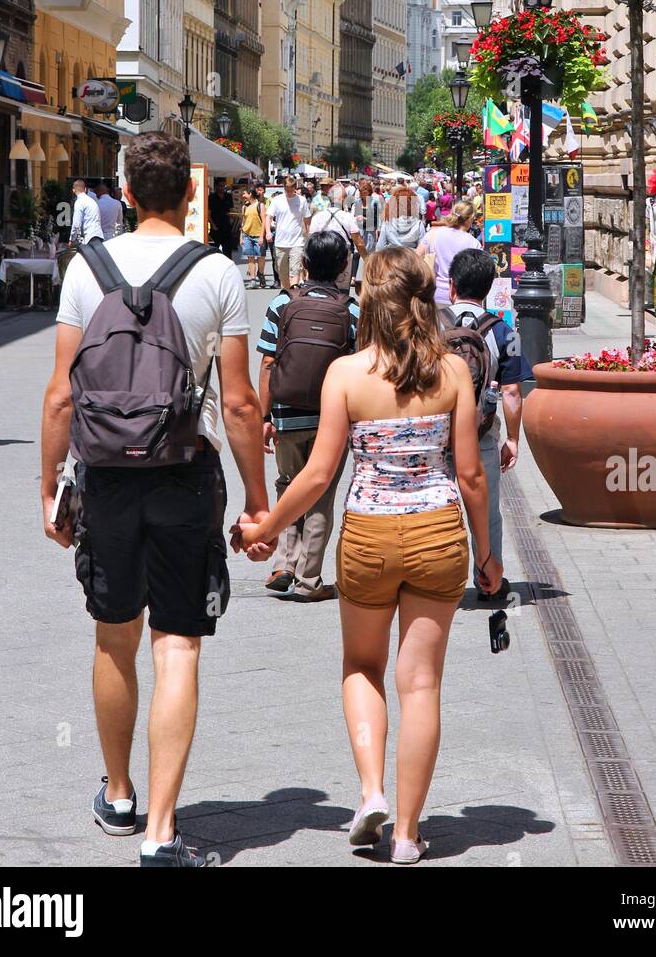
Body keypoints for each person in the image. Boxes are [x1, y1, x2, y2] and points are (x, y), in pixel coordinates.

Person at [42, 133, 273, 868]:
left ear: (129, 193)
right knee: (178, 645)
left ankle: (117, 792)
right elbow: (239, 405)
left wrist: (49, 487)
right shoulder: (217, 274)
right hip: (184, 473)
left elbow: (57, 396)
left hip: (105, 476)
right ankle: (163, 831)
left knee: (114, 637)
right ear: (190, 194)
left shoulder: (87, 268)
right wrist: (259, 501)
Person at [235, 248, 501, 863]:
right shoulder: (453, 373)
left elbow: (317, 474)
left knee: (362, 667)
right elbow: (471, 477)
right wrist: (488, 557)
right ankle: (408, 834)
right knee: (423, 683)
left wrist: (264, 527)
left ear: (369, 300)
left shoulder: (346, 375)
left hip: (369, 540)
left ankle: (371, 793)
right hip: (439, 537)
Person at [258, 231, 359, 602]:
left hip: (285, 416)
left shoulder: (282, 303)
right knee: (320, 494)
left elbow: (268, 363)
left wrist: (264, 417)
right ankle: (308, 579)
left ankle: (283, 563)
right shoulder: (352, 308)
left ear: (305, 263)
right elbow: (359, 366)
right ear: (342, 267)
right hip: (331, 419)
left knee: (288, 484)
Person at [445, 250, 533, 600]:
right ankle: (489, 578)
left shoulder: (431, 325)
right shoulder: (504, 331)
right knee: (487, 509)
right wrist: (512, 439)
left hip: (433, 436)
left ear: (451, 286)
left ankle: (435, 579)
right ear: (488, 288)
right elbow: (512, 392)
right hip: (481, 436)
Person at [417, 200, 481, 305]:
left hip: (434, 294)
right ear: (469, 219)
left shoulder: (433, 234)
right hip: (462, 298)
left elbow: (416, 258)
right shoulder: (473, 243)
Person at [309, 183, 367, 293]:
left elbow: (311, 240)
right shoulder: (348, 217)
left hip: (321, 257)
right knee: (341, 292)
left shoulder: (317, 217)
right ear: (342, 199)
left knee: (321, 288)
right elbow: (358, 241)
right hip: (342, 258)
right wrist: (367, 260)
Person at [265, 175, 310, 290]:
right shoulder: (277, 200)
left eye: (291, 190)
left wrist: (309, 236)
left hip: (297, 242)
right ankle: (287, 292)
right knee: (281, 271)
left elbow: (307, 220)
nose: (289, 192)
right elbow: (268, 217)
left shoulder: (302, 200)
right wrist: (268, 232)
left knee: (295, 270)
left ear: (295, 187)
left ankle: (293, 292)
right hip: (280, 243)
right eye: (286, 190)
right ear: (283, 188)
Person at [377, 187, 425, 251]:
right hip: (411, 258)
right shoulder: (418, 224)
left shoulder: (387, 222)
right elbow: (422, 249)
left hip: (392, 258)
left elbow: (380, 247)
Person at [239, 187, 267, 289]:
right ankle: (253, 279)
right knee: (250, 257)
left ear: (250, 194)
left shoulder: (260, 205)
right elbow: (243, 223)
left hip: (258, 235)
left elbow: (264, 221)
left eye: (244, 193)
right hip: (247, 235)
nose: (243, 196)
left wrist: (261, 236)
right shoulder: (244, 207)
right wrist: (241, 236)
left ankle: (261, 273)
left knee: (261, 257)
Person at [70, 180, 103, 245]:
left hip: (89, 236)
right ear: (85, 189)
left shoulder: (79, 202)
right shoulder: (92, 201)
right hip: (99, 235)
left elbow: (76, 223)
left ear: (73, 190)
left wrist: (72, 240)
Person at [208, 179, 235, 259]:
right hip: (215, 228)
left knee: (228, 251)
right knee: (213, 251)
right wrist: (213, 225)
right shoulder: (211, 197)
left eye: (223, 186)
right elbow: (208, 213)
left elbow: (232, 210)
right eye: (220, 186)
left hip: (227, 227)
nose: (222, 188)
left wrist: (232, 221)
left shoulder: (228, 196)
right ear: (216, 186)